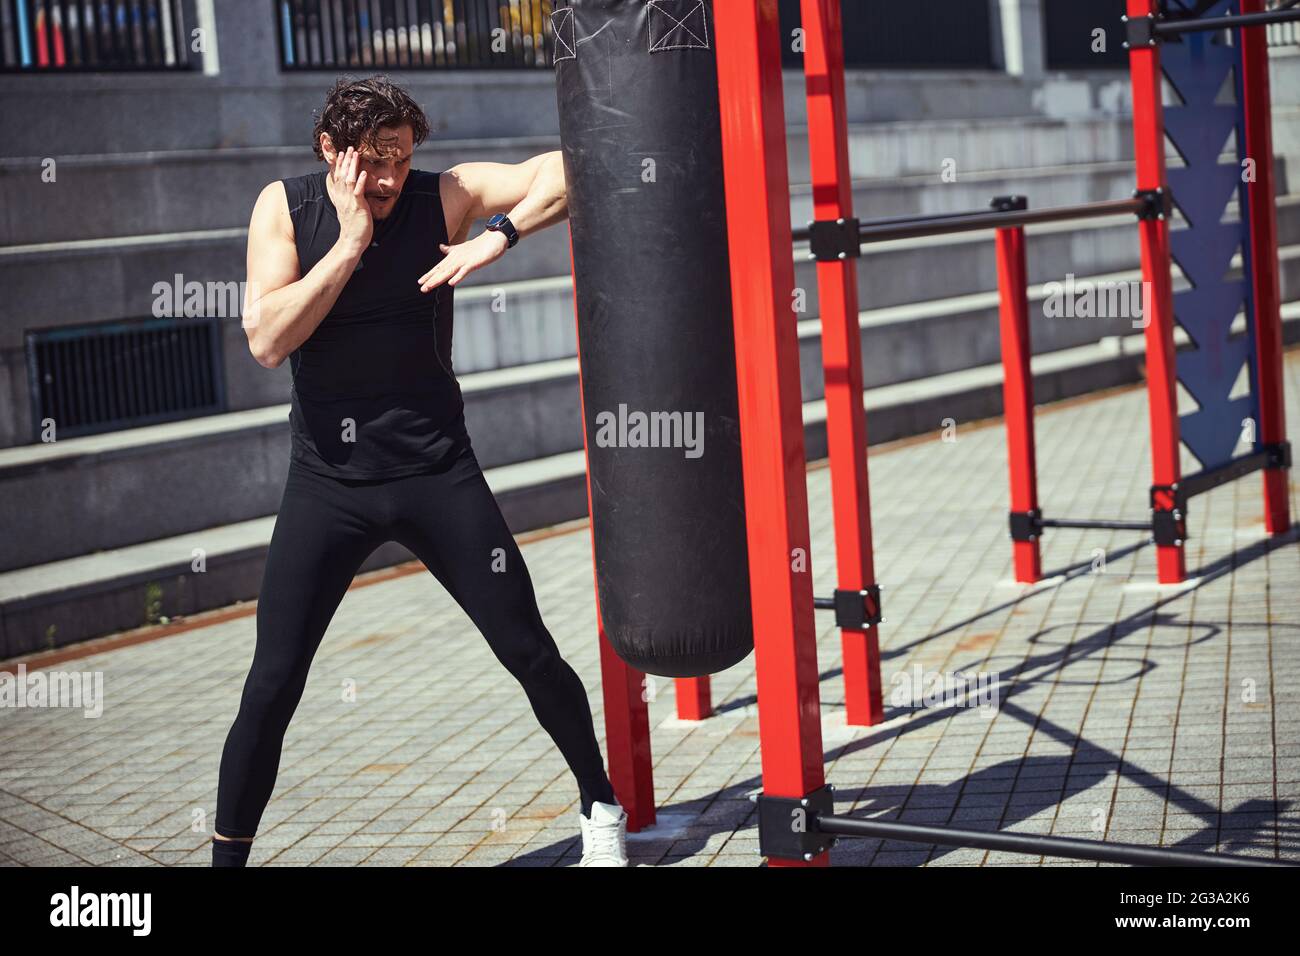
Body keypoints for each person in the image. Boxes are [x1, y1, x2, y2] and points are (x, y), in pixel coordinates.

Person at [212, 75, 627, 867]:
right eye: (373, 162)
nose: (391, 180)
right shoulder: (284, 207)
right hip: (328, 485)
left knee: (528, 648)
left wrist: (496, 235)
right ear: (331, 153)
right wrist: (349, 243)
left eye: (401, 159)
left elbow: (580, 164)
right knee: (271, 685)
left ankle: (601, 805)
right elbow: (267, 341)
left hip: (438, 473)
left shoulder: (446, 194)